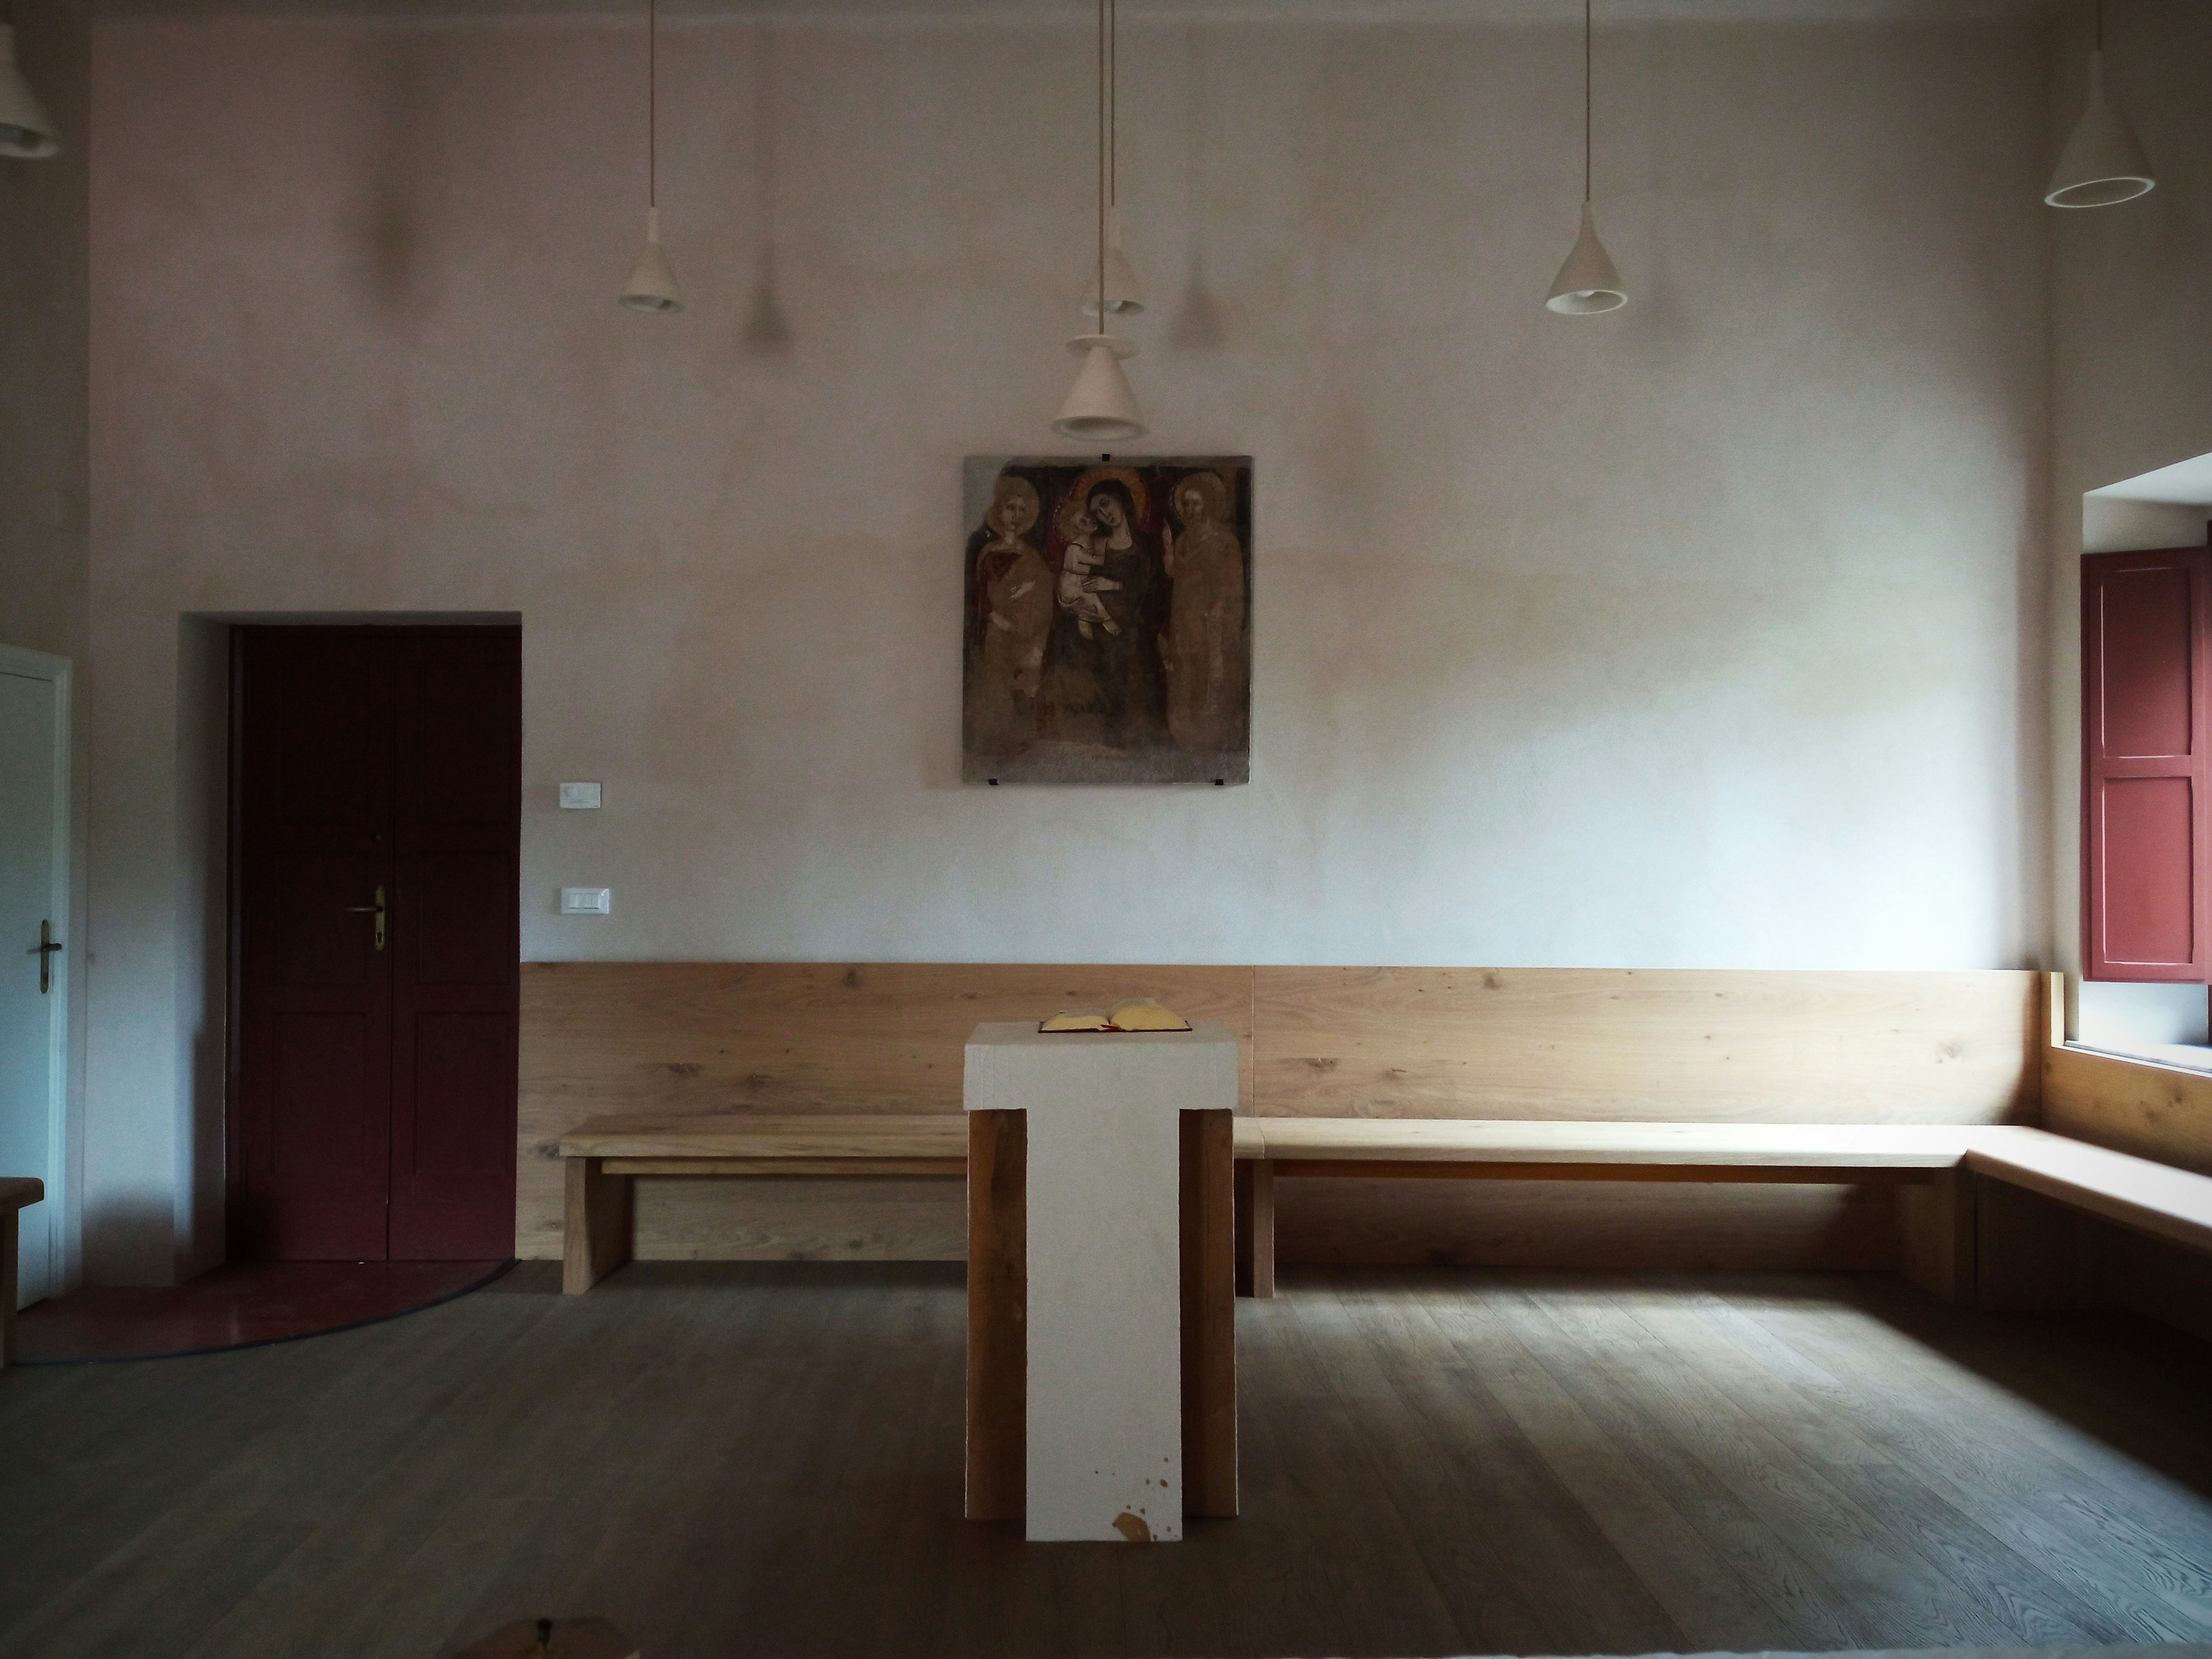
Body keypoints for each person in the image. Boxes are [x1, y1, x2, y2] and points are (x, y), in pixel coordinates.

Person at [1043, 474, 1166, 749]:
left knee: (1133, 661)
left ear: (1123, 500)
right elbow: (1078, 581)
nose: (1105, 514)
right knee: (1068, 646)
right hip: (1098, 626)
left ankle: (1136, 739)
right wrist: (1075, 606)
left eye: (1107, 504)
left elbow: (1154, 591)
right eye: (1098, 511)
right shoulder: (1096, 546)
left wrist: (1116, 587)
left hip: (1135, 626)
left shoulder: (1145, 546)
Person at [965, 474, 1053, 756]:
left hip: (1025, 635)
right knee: (995, 687)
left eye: (1021, 509)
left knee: (1023, 688)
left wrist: (1032, 634)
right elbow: (980, 596)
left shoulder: (1033, 558)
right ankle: (993, 743)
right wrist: (996, 618)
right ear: (999, 512)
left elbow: (1044, 599)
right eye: (1010, 508)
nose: (1015, 515)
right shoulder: (988, 553)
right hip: (997, 632)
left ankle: (1019, 743)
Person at [1161, 470, 1248, 752]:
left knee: (1211, 676)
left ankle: (1214, 739)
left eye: (1196, 503)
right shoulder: (1184, 540)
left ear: (1209, 505)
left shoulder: (1225, 542)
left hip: (1212, 618)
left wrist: (1219, 613)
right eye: (1186, 504)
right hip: (1184, 617)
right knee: (1185, 672)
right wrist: (1167, 546)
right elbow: (1175, 572)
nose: (1190, 510)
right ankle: (1187, 737)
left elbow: (1232, 584)